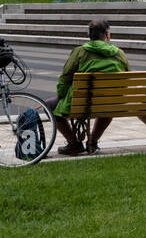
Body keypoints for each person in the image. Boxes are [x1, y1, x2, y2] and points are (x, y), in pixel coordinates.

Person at [48, 19, 129, 156]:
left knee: (49, 105)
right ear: (107, 35)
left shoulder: (80, 52)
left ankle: (74, 143)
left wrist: (62, 96)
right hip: (110, 102)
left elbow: (65, 78)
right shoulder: (119, 53)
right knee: (108, 102)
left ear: (90, 35)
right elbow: (126, 78)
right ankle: (92, 141)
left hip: (81, 103)